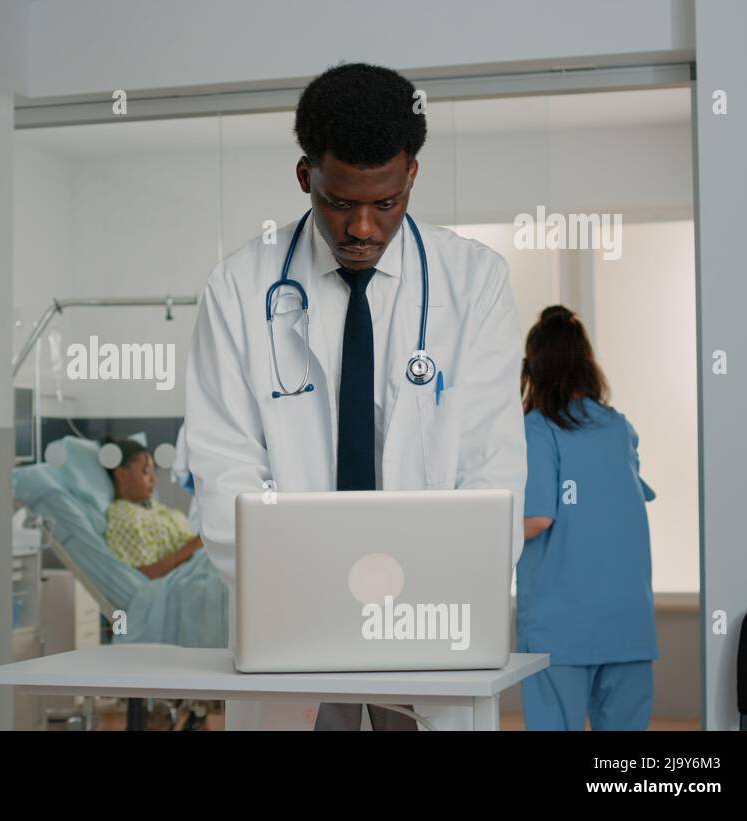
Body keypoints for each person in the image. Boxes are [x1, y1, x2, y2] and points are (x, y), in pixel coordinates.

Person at [183, 62, 526, 731]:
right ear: (306, 176)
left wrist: (423, 611)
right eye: (340, 202)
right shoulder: (237, 290)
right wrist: (314, 608)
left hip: (431, 631)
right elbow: (223, 476)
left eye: (386, 203)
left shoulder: (475, 283)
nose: (363, 227)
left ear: (412, 178)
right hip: (292, 636)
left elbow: (493, 473)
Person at [518, 305, 657, 730]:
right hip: (627, 624)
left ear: (533, 368)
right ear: (586, 365)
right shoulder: (619, 427)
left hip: (559, 628)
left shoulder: (538, 428)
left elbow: (537, 518)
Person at [103, 439, 203, 580]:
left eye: (153, 472)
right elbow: (143, 575)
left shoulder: (152, 507)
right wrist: (195, 545)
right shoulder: (123, 518)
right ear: (122, 475)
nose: (153, 479)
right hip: (192, 576)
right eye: (145, 472)